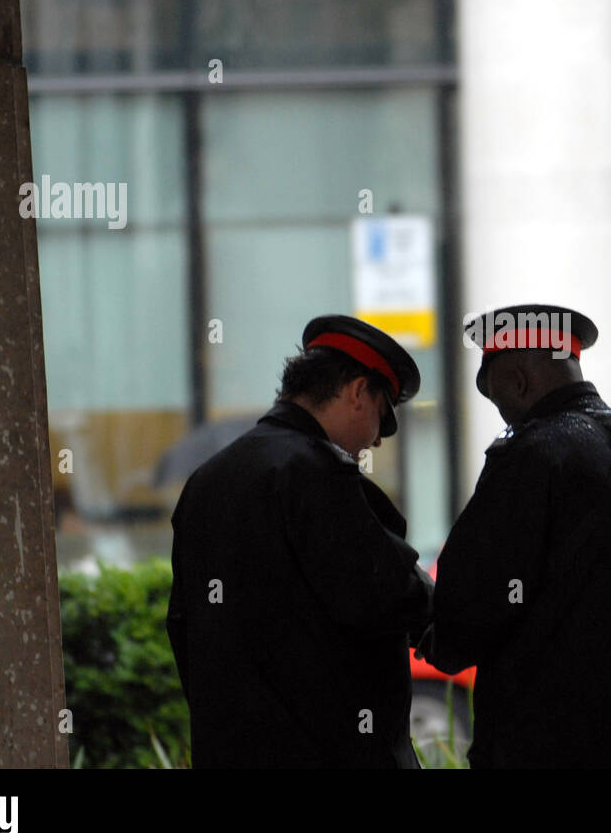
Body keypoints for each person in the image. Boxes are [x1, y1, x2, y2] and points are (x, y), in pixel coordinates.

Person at [166, 314, 433, 768]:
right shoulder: (318, 473)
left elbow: (182, 625)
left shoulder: (206, 480)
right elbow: (385, 595)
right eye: (382, 418)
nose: (377, 442)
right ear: (356, 393)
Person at [420, 304, 611, 767]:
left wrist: (438, 638)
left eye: (496, 395)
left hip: (547, 746)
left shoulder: (532, 456)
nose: (500, 411)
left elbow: (470, 602)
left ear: (518, 381)